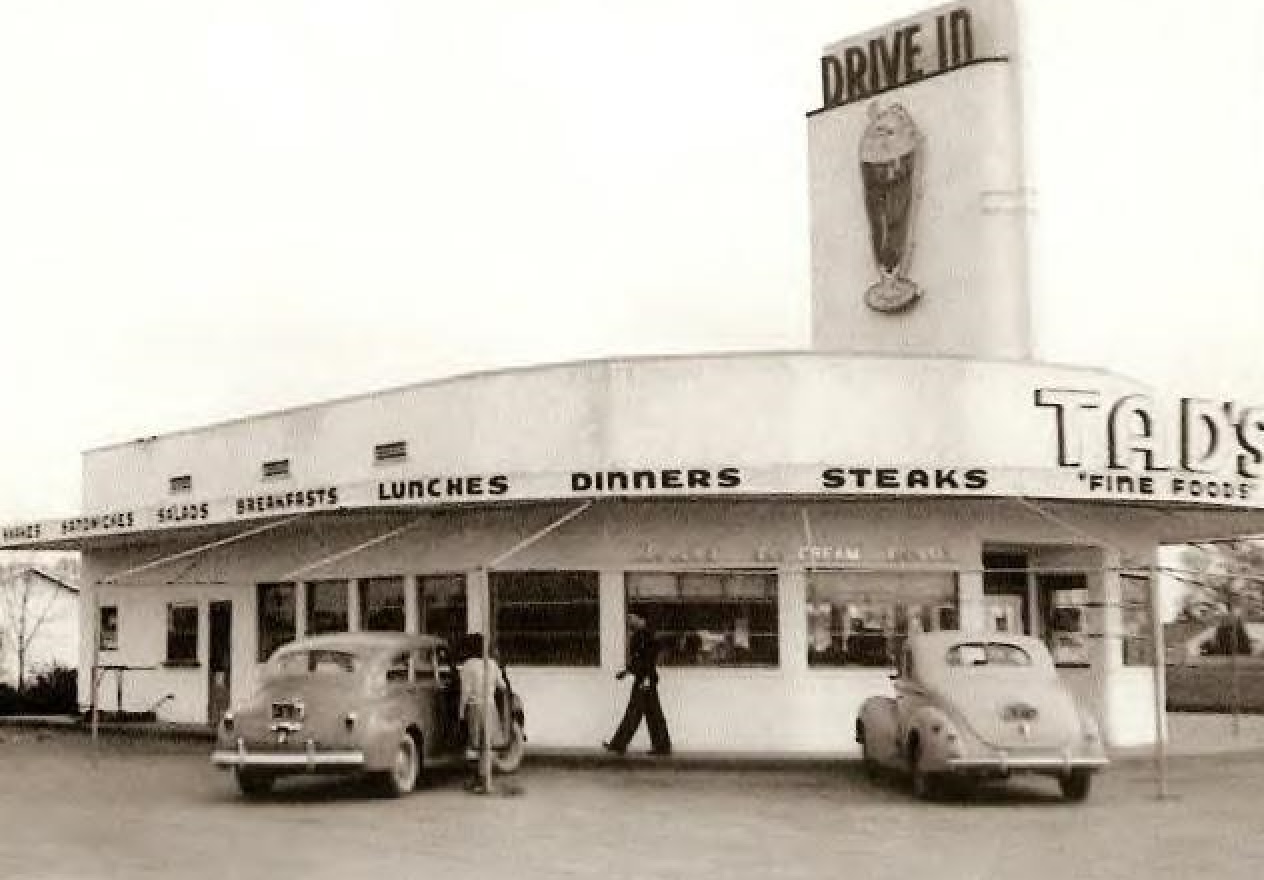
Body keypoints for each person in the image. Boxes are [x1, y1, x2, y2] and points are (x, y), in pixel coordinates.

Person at [603, 613, 672, 756]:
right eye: (629, 618)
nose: (629, 621)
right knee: (651, 713)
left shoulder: (643, 636)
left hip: (644, 680)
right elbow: (642, 659)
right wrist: (627, 672)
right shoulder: (645, 635)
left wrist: (643, 677)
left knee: (635, 713)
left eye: (632, 618)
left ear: (642, 619)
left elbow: (646, 659)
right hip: (645, 679)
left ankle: (619, 745)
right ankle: (662, 745)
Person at [458, 633, 503, 772]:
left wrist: (461, 712)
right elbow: (501, 685)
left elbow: (465, 691)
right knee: (487, 743)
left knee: (475, 743)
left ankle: (479, 774)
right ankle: (485, 772)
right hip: (490, 706)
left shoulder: (468, 665)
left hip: (475, 706)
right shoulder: (492, 664)